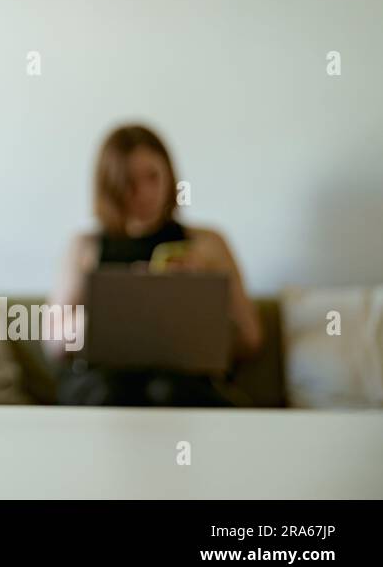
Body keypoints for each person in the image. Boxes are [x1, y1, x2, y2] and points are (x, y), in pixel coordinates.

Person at [47, 124, 263, 405]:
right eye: (129, 183)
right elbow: (54, 343)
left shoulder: (207, 245)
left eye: (153, 177)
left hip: (184, 383)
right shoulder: (86, 247)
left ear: (170, 176)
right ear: (110, 185)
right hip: (107, 384)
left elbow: (250, 339)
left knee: (169, 390)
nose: (145, 193)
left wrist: (197, 297)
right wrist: (119, 306)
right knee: (115, 392)